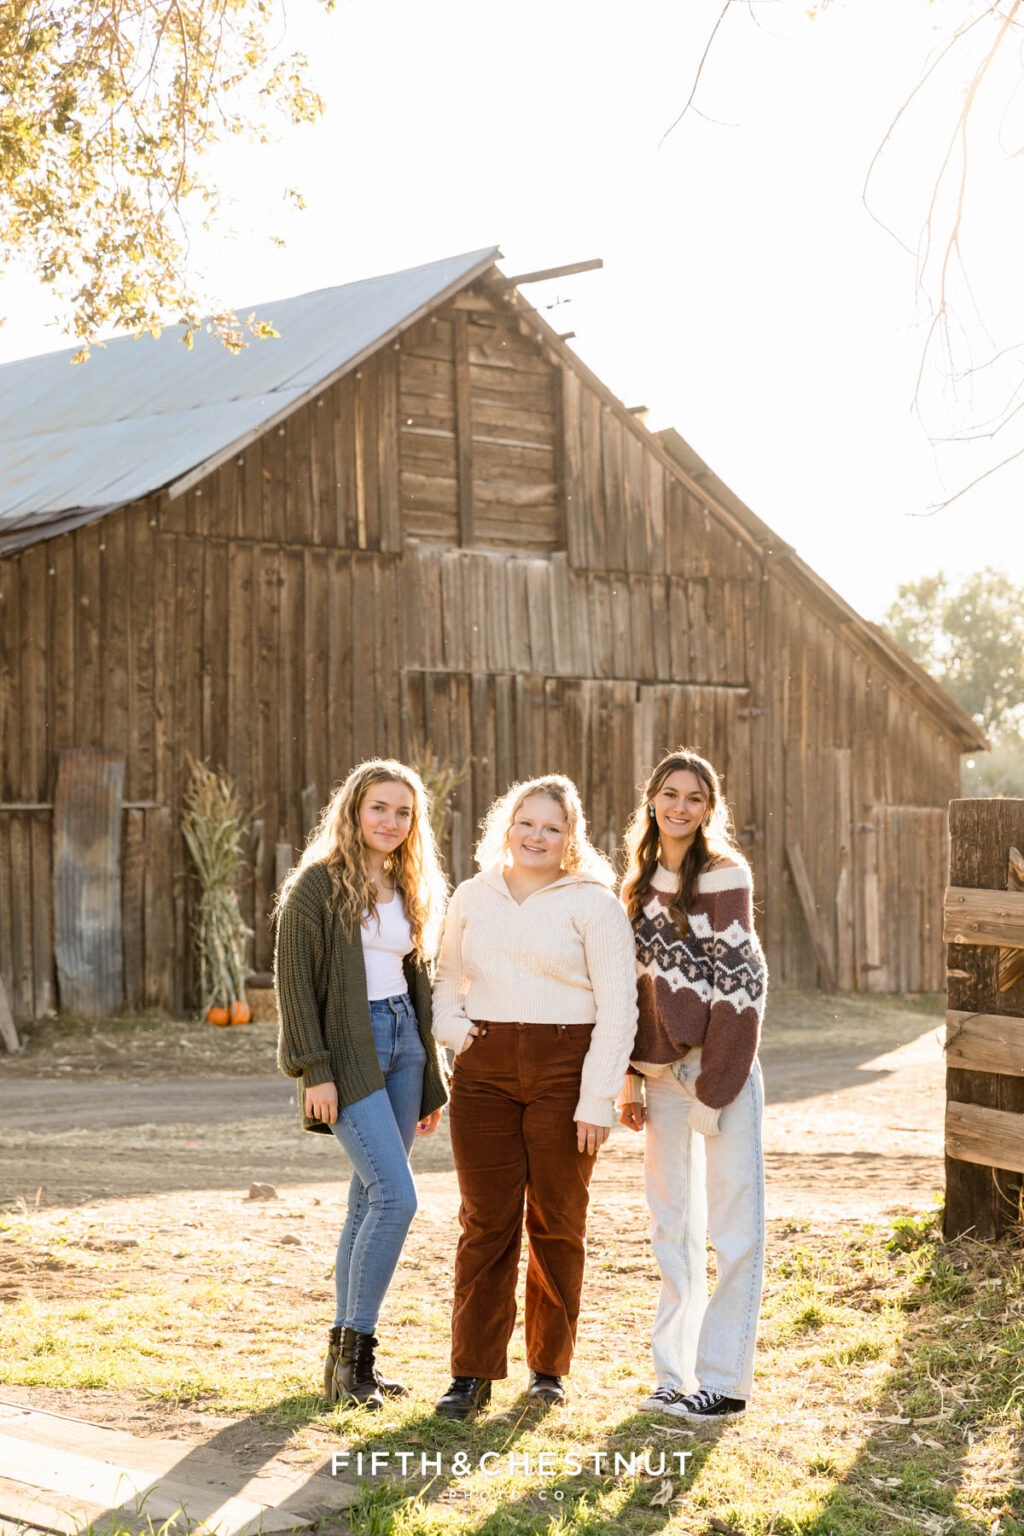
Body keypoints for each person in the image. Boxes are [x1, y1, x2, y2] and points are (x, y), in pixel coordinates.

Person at [431, 775, 638, 1421]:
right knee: (485, 1223)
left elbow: (620, 1005)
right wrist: (456, 1032)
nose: (537, 836)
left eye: (552, 827)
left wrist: (598, 1098)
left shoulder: (593, 903)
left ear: (570, 837)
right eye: (527, 823)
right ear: (507, 825)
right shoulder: (473, 894)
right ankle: (471, 1373)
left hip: (565, 1070)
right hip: (484, 1071)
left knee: (557, 1219)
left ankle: (548, 1370)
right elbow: (444, 978)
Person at [274, 758, 449, 1411]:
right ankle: (357, 1358)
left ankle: (344, 1369)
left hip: (404, 1044)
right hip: (350, 1049)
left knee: (365, 1202)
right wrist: (313, 1071)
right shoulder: (316, 888)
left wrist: (431, 1075)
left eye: (403, 812)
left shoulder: (409, 885)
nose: (391, 821)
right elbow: (294, 987)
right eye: (379, 807)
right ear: (353, 810)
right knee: (396, 1201)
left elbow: (417, 986)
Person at [618, 748, 767, 1422]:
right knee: (671, 1228)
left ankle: (724, 1382)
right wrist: (629, 1073)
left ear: (709, 810)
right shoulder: (638, 882)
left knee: (735, 1223)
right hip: (660, 1078)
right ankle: (673, 1375)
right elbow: (631, 990)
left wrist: (718, 1085)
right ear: (652, 800)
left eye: (695, 798)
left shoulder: (723, 875)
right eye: (670, 794)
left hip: (718, 1068)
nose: (680, 806)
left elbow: (742, 985)